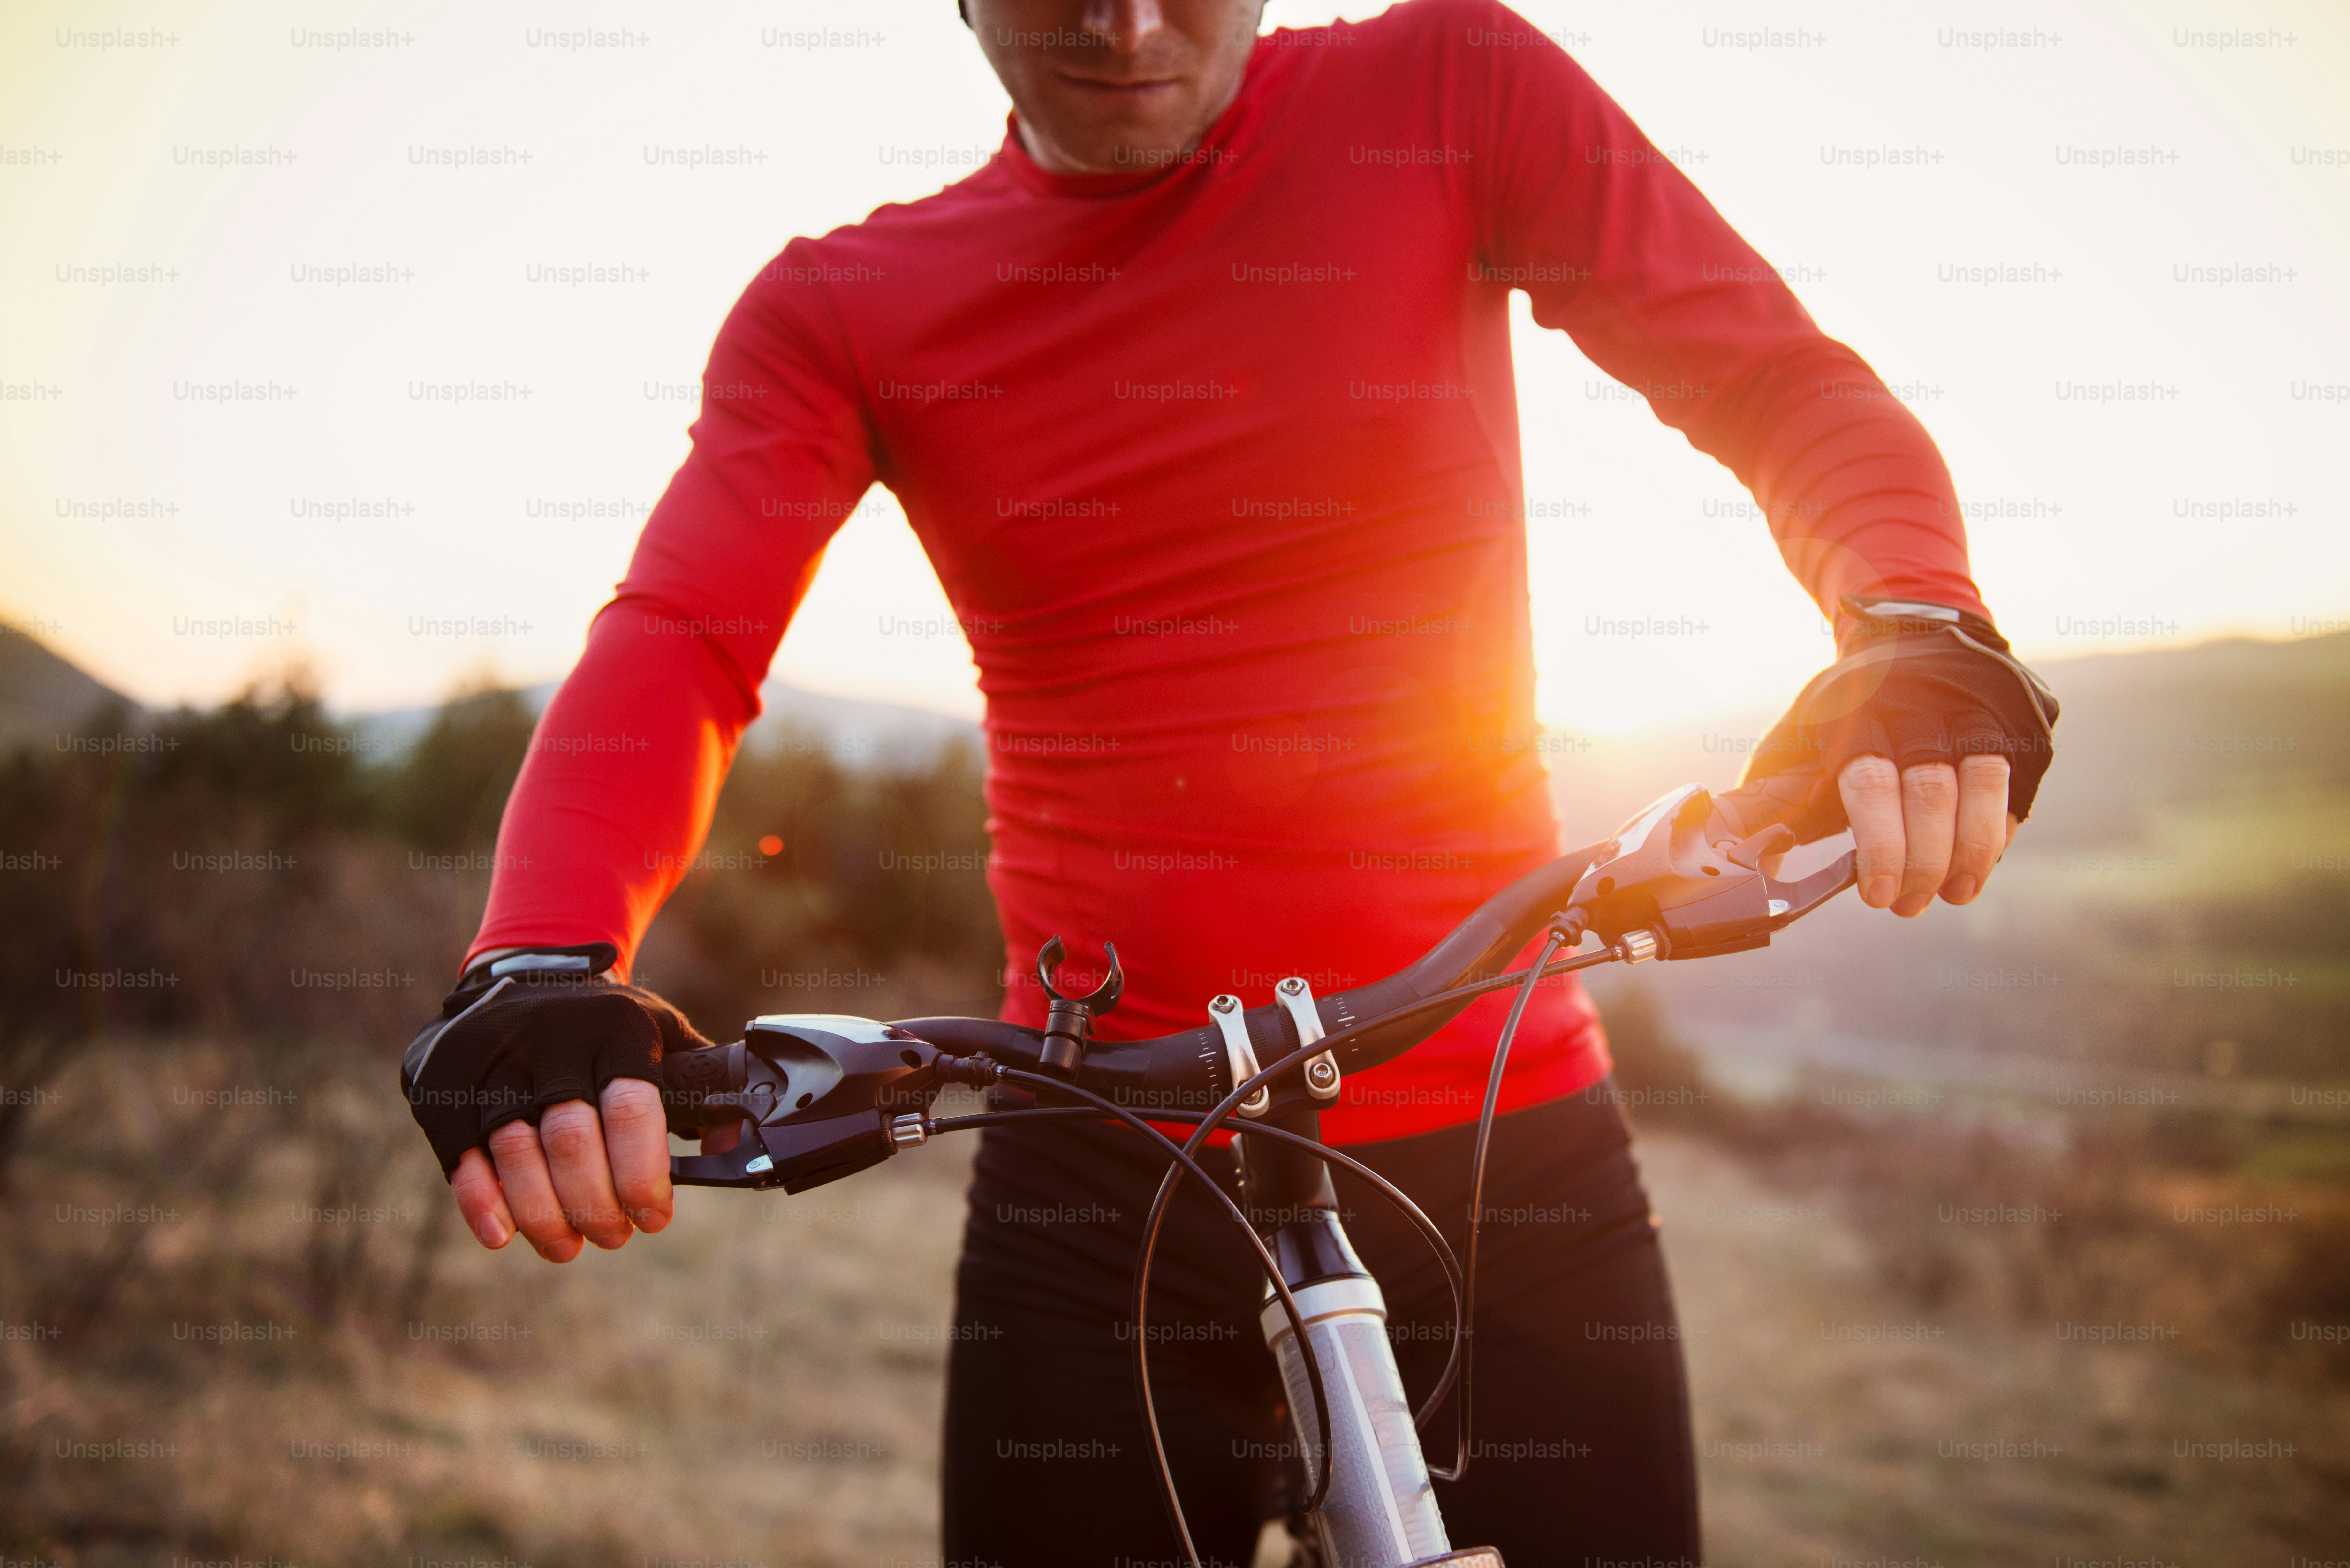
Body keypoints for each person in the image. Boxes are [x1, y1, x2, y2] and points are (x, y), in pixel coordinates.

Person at [401, 1, 2058, 1560]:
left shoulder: (1451, 92)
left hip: (1506, 1135)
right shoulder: (842, 307)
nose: (1126, 25)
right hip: (1098, 1159)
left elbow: (1772, 380)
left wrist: (1910, 620)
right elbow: (686, 634)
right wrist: (542, 956)